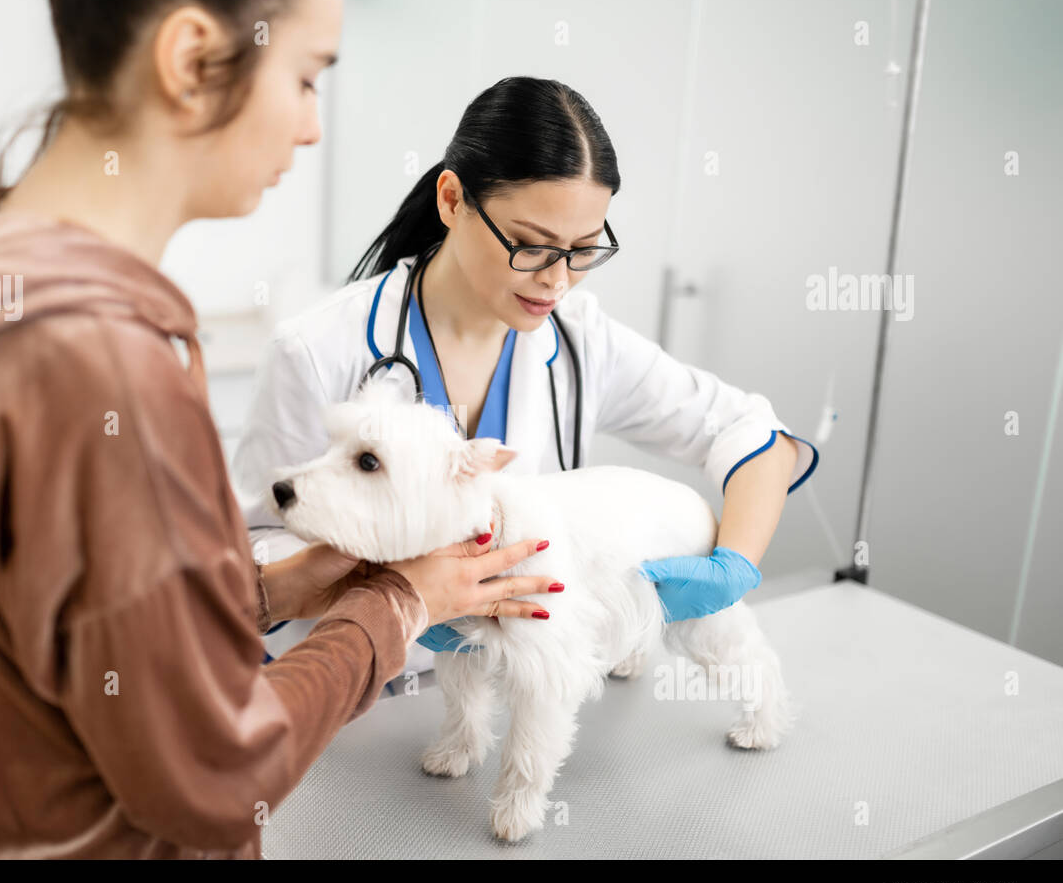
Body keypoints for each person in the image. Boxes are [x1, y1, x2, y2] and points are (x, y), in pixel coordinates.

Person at [0, 0, 559, 859]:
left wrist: (270, 588)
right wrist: (401, 601)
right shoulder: (105, 375)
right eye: (307, 79)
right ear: (193, 57)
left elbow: (54, 614)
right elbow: (216, 776)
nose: (313, 129)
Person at [232, 76, 820, 676]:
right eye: (530, 245)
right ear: (453, 200)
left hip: (518, 681)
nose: (557, 280)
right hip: (342, 689)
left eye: (584, 249)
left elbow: (750, 431)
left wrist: (734, 565)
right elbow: (257, 550)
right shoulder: (317, 348)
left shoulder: (580, 338)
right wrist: (395, 584)